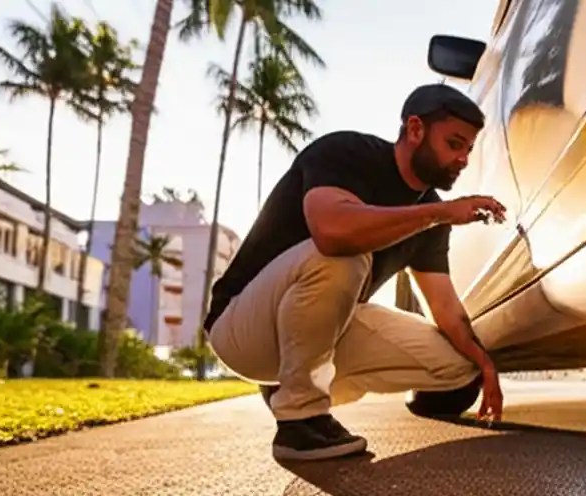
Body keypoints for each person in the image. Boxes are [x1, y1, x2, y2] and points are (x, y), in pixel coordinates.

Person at [203, 84, 508, 461]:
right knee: (347, 256)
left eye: (468, 150)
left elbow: (444, 306)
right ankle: (299, 421)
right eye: (454, 143)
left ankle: (287, 385)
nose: (462, 159)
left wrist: (486, 367)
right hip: (242, 329)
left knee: (459, 370)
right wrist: (440, 214)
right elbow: (331, 232)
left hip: (327, 328)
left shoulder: (431, 212)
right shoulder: (347, 152)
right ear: (415, 130)